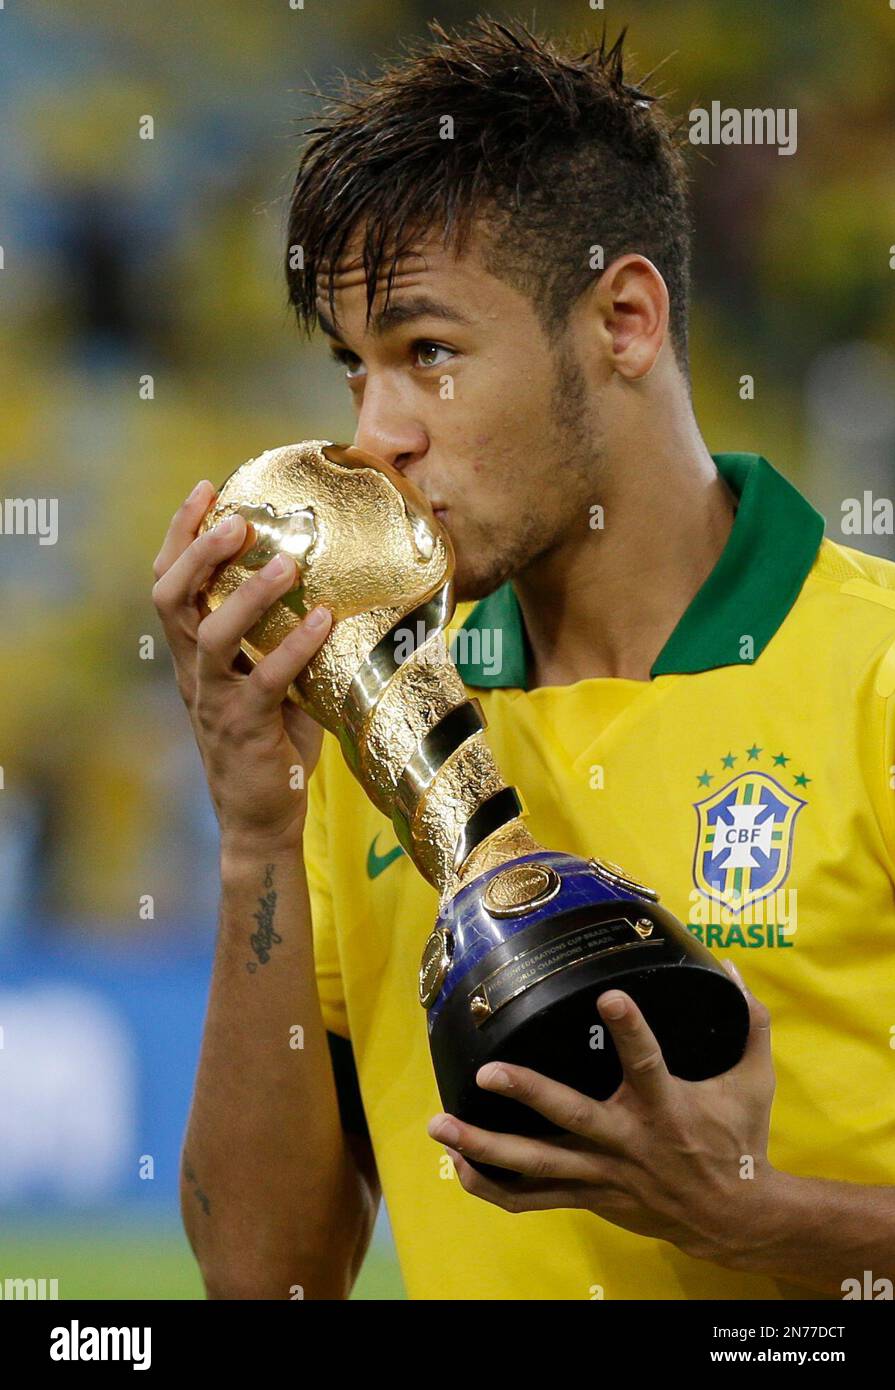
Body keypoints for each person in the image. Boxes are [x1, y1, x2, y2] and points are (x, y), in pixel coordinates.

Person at [153, 18, 895, 1299]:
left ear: (621, 320)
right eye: (353, 369)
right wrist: (255, 829)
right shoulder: (369, 724)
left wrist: (749, 1218)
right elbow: (265, 1277)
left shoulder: (872, 673)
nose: (375, 436)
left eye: (427, 353)